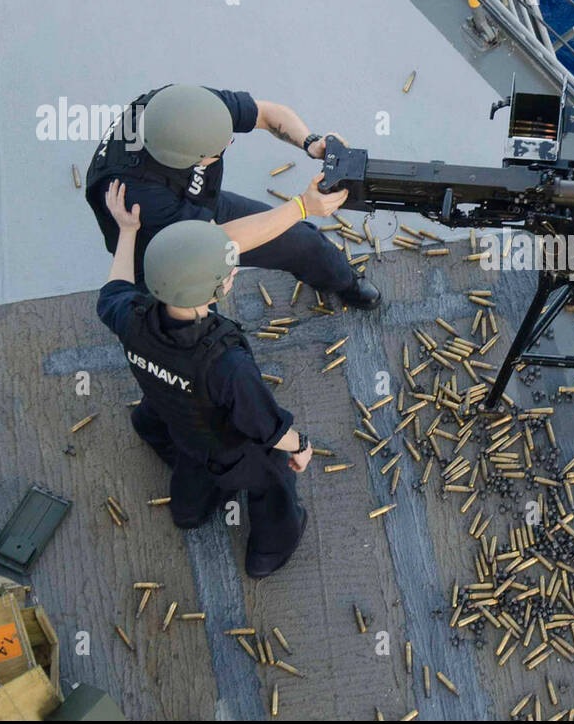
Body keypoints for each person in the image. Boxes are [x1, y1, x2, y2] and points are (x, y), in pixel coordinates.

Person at [96, 180, 312, 578]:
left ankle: (192, 511)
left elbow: (114, 288)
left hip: (174, 421)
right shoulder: (225, 363)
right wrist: (301, 445)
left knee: (190, 497)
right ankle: (267, 553)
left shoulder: (131, 316)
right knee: (276, 476)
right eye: (227, 272)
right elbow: (265, 426)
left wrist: (127, 232)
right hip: (228, 449)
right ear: (221, 287)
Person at [85, 82, 379, 308]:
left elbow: (265, 113)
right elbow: (213, 244)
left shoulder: (183, 106)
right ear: (186, 159)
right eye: (217, 152)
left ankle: (343, 284)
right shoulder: (140, 195)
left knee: (305, 242)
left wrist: (310, 142)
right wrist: (301, 206)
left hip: (198, 204)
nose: (227, 144)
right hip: (163, 251)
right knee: (190, 331)